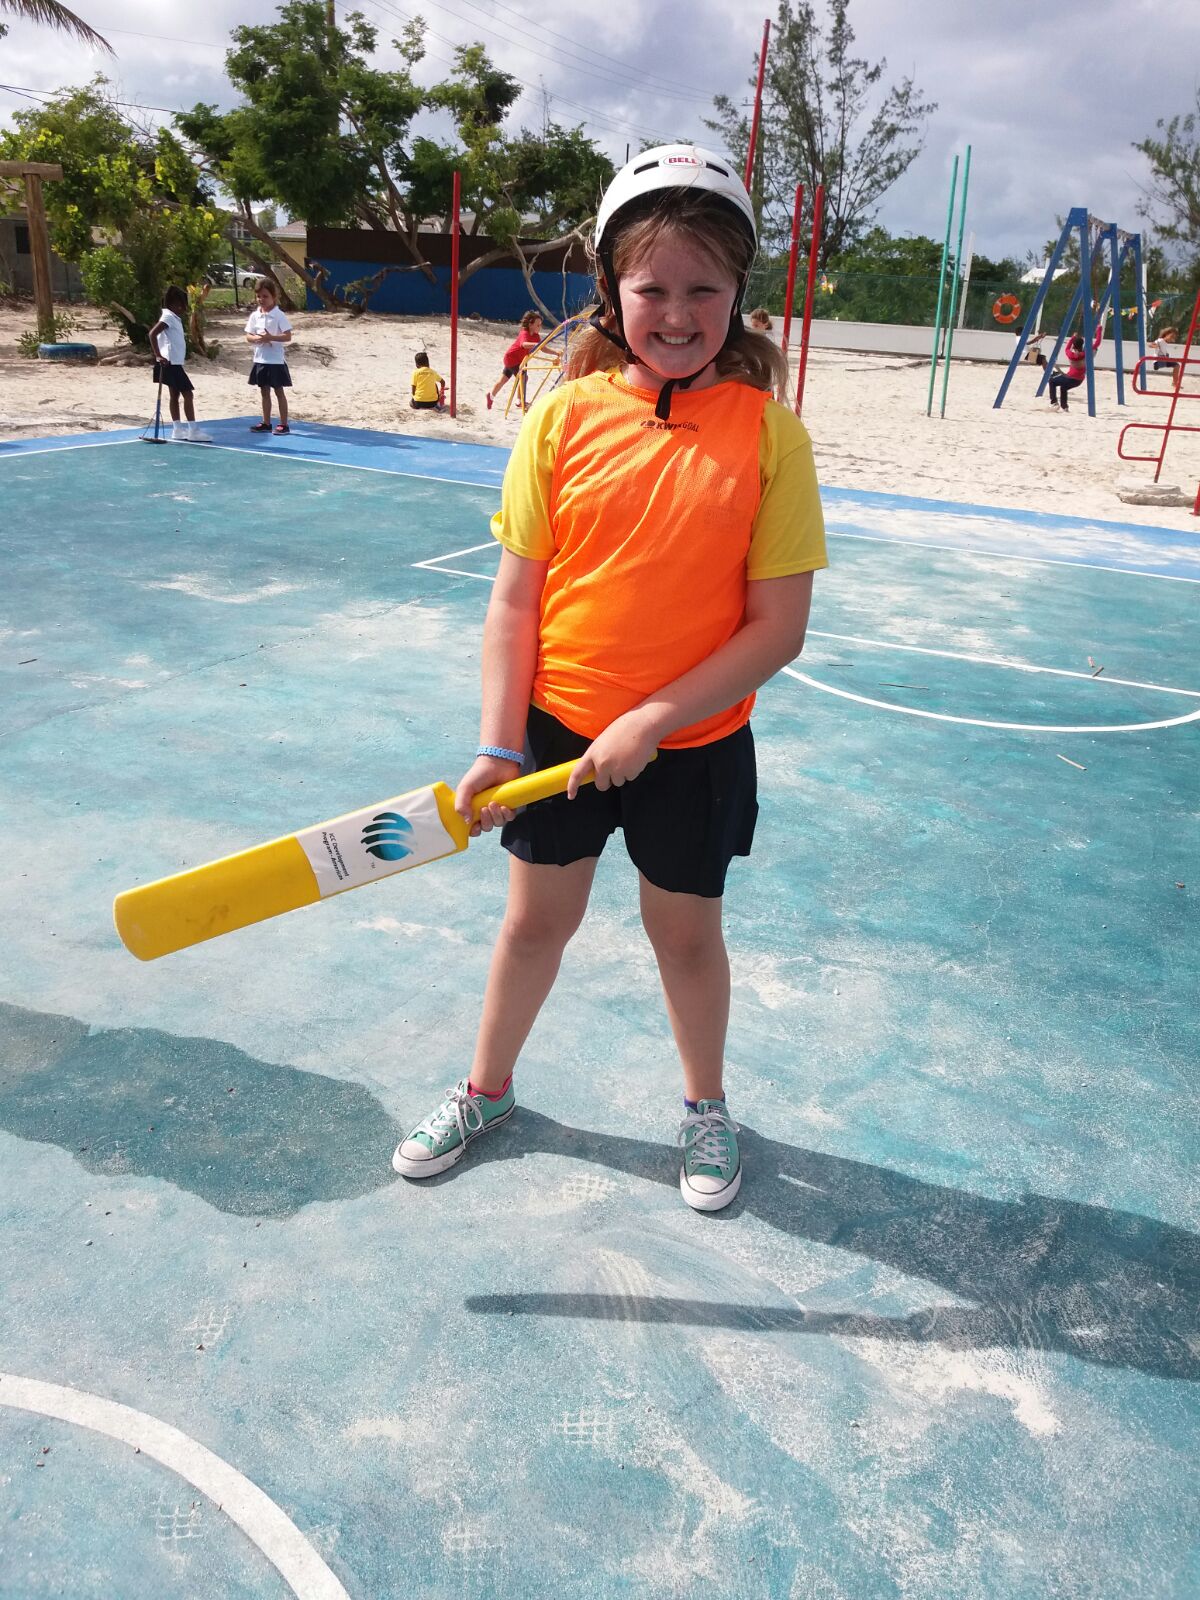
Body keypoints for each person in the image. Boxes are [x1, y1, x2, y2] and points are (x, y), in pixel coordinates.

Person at [392, 144, 827, 1212]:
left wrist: (654, 719)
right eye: (652, 290)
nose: (676, 313)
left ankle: (705, 1107)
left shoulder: (772, 440)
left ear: (737, 295)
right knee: (533, 925)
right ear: (611, 291)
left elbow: (778, 629)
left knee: (686, 936)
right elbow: (514, 602)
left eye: (702, 291)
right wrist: (500, 741)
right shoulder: (561, 418)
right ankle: (487, 1090)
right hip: (552, 738)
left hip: (695, 748)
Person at [146, 286, 211, 443]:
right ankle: (193, 430)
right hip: (170, 363)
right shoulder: (168, 317)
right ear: (173, 304)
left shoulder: (172, 317)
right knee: (188, 394)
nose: (183, 309)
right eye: (181, 305)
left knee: (174, 395)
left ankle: (177, 429)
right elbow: (152, 333)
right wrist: (158, 355)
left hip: (173, 363)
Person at [245, 279, 294, 434]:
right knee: (264, 391)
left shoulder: (278, 315)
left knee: (279, 391)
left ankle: (284, 424)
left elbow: (287, 336)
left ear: (273, 297)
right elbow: (248, 335)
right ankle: (266, 422)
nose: (261, 299)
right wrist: (257, 339)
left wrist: (271, 337)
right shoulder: (255, 315)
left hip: (275, 360)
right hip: (260, 359)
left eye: (265, 296)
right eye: (259, 296)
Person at [486, 310, 543, 410]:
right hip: (512, 358)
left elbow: (543, 348)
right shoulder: (524, 333)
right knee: (524, 377)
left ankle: (491, 396)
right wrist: (536, 344)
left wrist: (556, 353)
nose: (540, 327)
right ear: (530, 324)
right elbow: (524, 344)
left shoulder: (536, 336)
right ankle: (519, 401)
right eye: (538, 325)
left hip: (513, 359)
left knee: (503, 380)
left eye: (540, 325)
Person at [1047, 321, 1102, 411]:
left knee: (1052, 381)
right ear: (1082, 345)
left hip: (1070, 378)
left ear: (1074, 346)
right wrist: (1099, 329)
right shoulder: (1085, 354)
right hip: (1079, 380)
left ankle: (1054, 402)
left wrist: (1073, 337)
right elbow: (1098, 342)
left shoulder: (1070, 354)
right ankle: (1064, 407)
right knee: (1063, 387)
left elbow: (1067, 348)